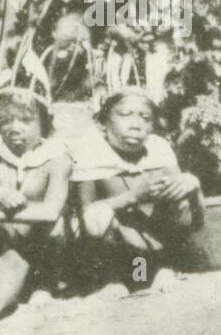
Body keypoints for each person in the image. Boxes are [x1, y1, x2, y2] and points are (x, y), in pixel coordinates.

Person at [0, 88, 72, 323]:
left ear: (44, 123)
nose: (14, 128)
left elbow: (50, 212)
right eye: (5, 121)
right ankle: (7, 287)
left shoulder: (57, 159)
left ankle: (44, 284)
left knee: (56, 226)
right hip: (9, 236)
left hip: (41, 234)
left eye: (26, 120)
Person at [69, 88, 203, 288]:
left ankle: (159, 269)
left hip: (149, 246)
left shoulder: (158, 149)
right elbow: (87, 218)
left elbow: (195, 220)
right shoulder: (91, 152)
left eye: (145, 118)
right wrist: (133, 197)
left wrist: (193, 186)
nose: (136, 124)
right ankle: (112, 280)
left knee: (181, 196)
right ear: (101, 123)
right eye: (124, 115)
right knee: (99, 216)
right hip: (111, 246)